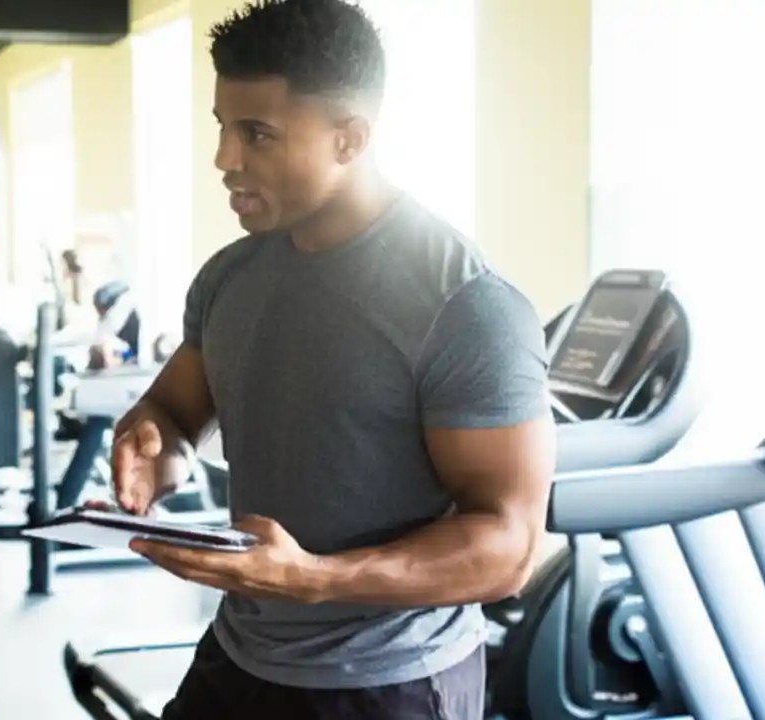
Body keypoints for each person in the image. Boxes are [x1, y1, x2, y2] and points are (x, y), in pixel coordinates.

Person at [109, 2, 557, 719]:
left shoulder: (466, 305)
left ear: (350, 139)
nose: (225, 158)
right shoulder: (230, 276)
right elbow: (173, 413)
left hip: (389, 682)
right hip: (239, 651)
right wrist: (153, 446)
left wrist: (313, 578)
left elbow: (509, 548)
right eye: (223, 127)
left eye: (258, 133)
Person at [55, 281, 143, 510]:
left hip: (119, 395)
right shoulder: (112, 329)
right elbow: (102, 354)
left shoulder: (127, 320)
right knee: (94, 444)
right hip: (109, 398)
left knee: (97, 446)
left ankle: (65, 500)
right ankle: (65, 500)